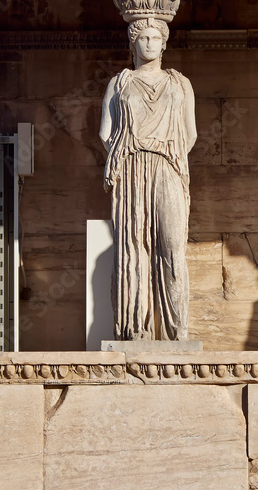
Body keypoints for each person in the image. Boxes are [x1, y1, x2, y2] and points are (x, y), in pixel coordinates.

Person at [99, 17, 197, 340]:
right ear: (133, 43)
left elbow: (190, 133)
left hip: (168, 166)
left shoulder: (180, 84)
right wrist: (131, 154)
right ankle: (135, 329)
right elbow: (105, 133)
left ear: (164, 43)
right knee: (133, 246)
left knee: (172, 244)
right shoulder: (119, 83)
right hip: (131, 169)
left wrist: (164, 152)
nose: (149, 43)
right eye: (143, 37)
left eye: (155, 37)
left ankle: (176, 329)